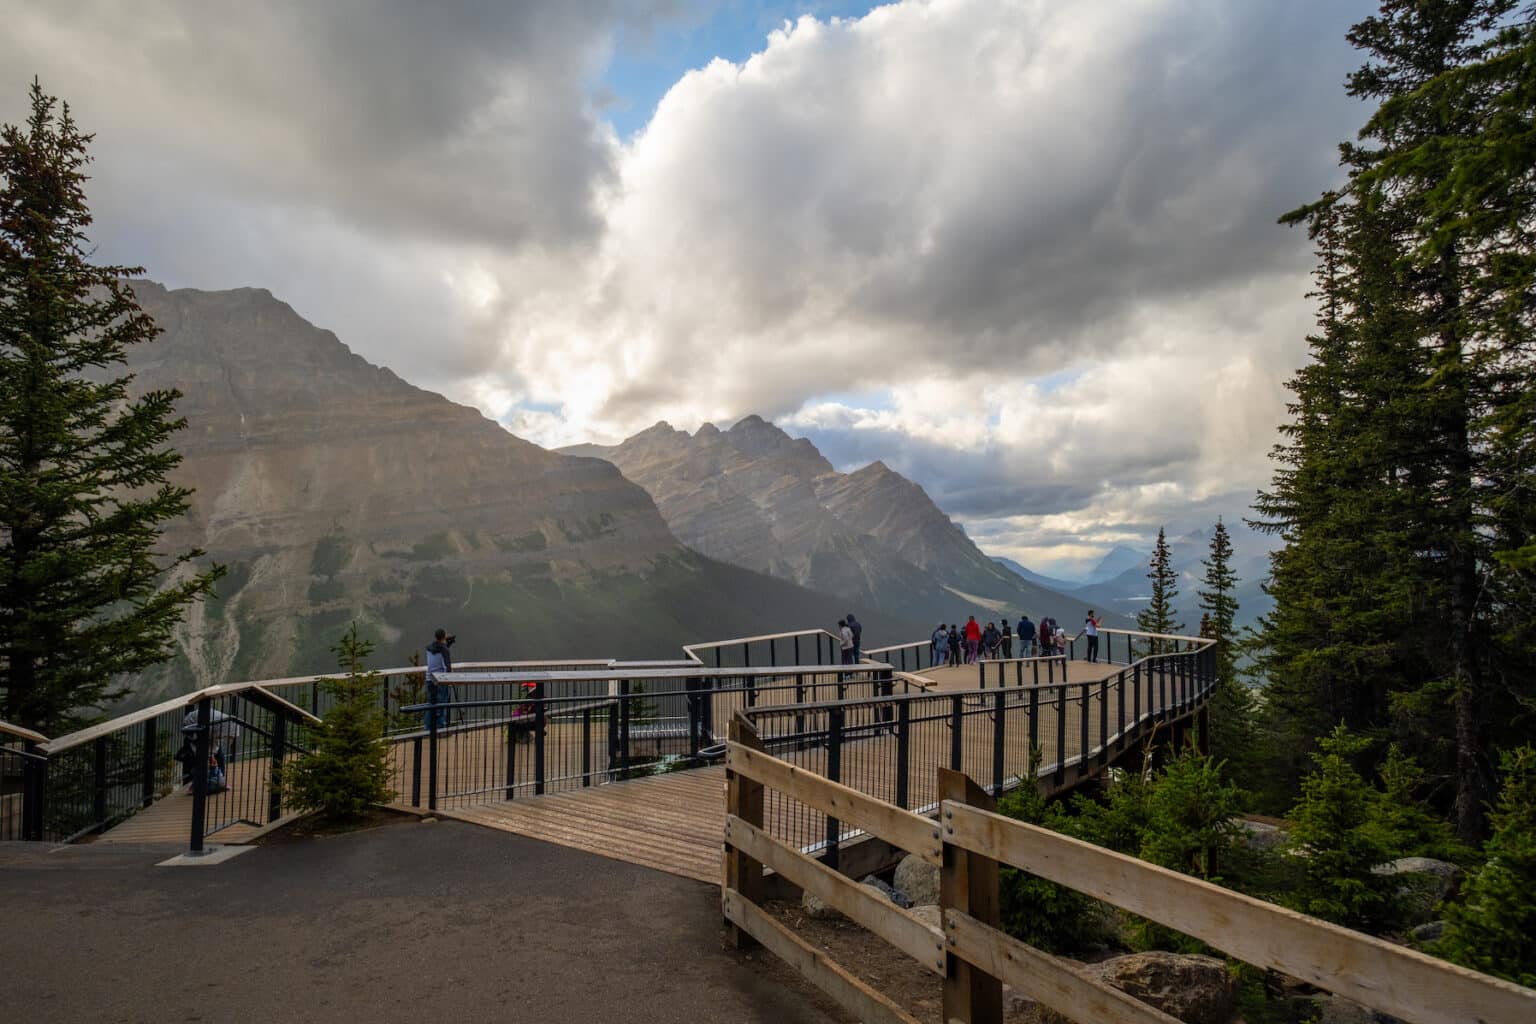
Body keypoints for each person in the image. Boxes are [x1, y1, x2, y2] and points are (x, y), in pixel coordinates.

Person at [425, 627, 456, 729]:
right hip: (441, 680)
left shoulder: (429, 647)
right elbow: (447, 667)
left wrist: (446, 643)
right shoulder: (444, 650)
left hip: (429, 679)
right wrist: (450, 680)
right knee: (441, 705)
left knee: (431, 705)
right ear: (443, 637)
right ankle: (440, 729)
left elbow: (438, 649)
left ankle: (428, 729)